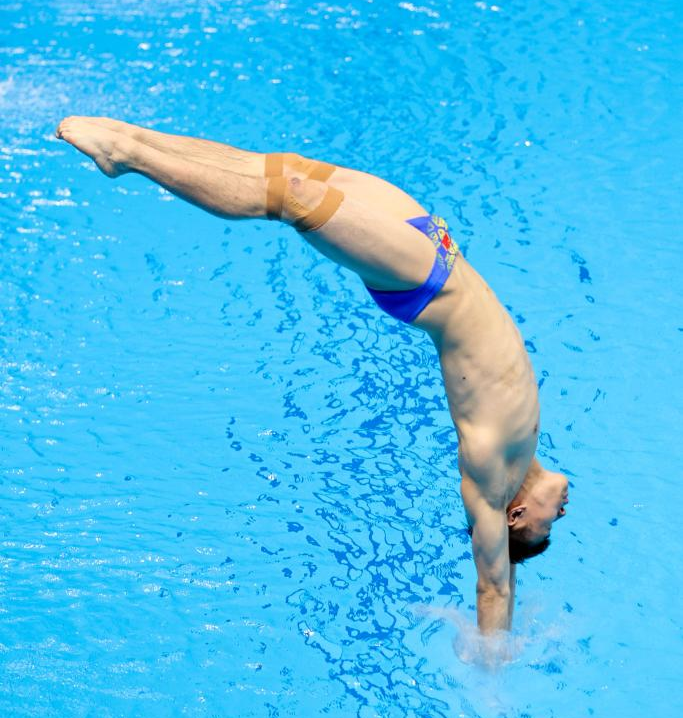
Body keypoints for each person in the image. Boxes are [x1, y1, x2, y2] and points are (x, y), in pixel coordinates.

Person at [55, 115, 569, 634]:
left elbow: (495, 585)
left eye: (548, 527)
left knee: (291, 196)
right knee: (291, 169)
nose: (562, 514)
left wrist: (493, 663)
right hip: (436, 245)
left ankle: (131, 158)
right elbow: (515, 558)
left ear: (515, 517)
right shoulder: (524, 450)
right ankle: (136, 137)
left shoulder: (488, 470)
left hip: (425, 279)